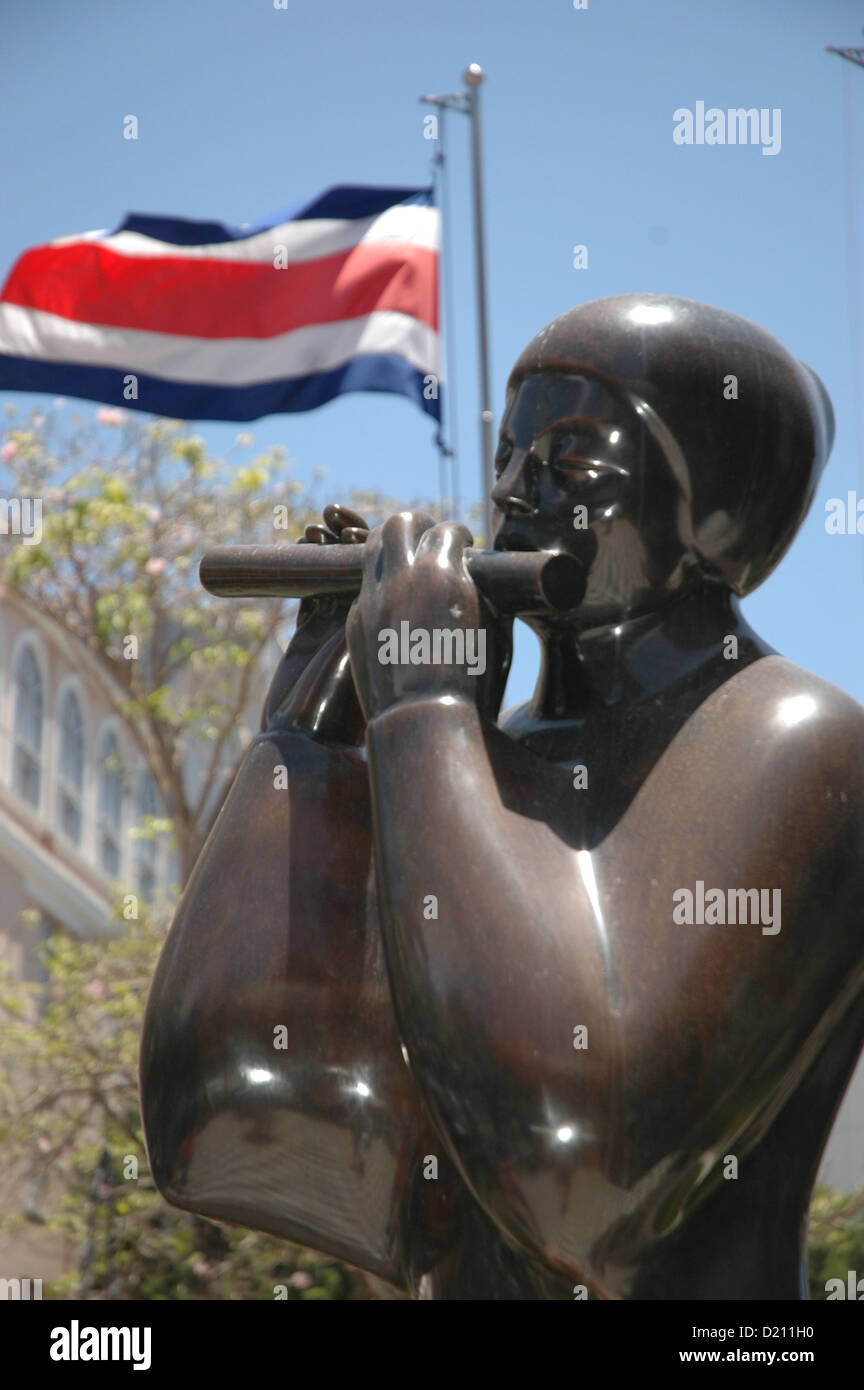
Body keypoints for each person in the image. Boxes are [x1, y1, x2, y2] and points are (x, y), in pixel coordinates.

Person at [142, 293, 864, 1300]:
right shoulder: (480, 766)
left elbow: (582, 1179)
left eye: (573, 465)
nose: (518, 498)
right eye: (509, 463)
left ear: (714, 519)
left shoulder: (802, 740)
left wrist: (430, 717)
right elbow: (226, 1134)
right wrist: (310, 739)